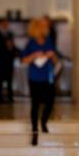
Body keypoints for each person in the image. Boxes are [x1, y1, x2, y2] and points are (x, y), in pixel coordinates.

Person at [21, 16, 58, 146]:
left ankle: (44, 121)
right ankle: (35, 131)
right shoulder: (31, 43)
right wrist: (33, 56)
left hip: (47, 76)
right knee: (35, 104)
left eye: (46, 26)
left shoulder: (49, 41)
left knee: (50, 101)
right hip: (34, 77)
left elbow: (55, 61)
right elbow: (24, 60)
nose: (45, 28)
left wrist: (52, 55)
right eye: (42, 26)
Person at [0, 17, 16, 103]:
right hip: (0, 59)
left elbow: (12, 46)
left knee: (10, 78)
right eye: (4, 22)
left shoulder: (9, 33)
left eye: (7, 22)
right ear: (1, 24)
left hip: (9, 59)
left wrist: (12, 48)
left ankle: (10, 97)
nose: (6, 24)